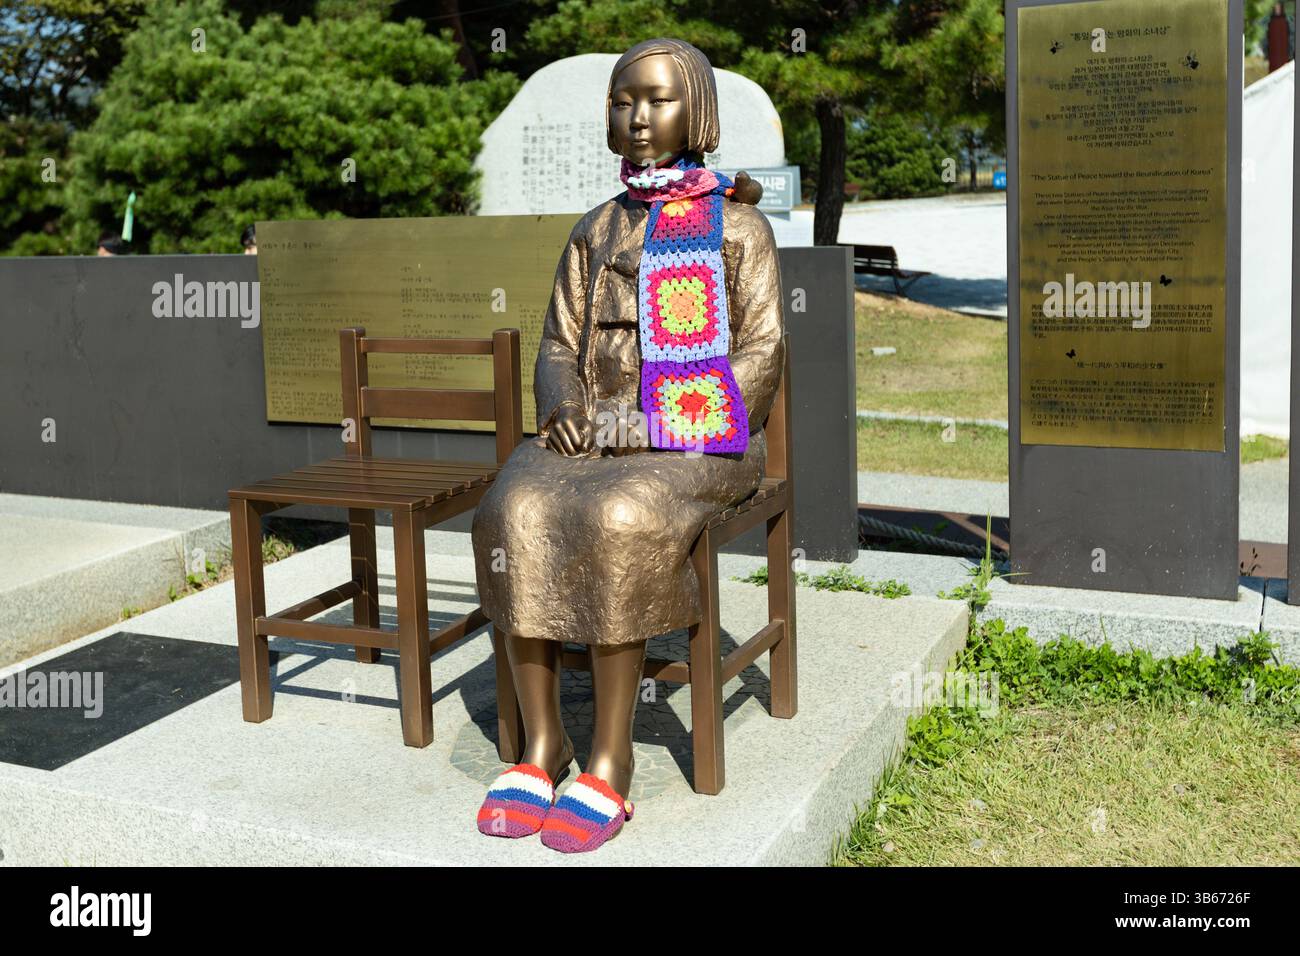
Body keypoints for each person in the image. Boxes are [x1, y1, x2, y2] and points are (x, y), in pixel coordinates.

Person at [471, 38, 784, 852]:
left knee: (615, 515)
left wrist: (663, 419)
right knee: (516, 506)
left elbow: (762, 353)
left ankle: (609, 757)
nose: (638, 117)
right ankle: (545, 743)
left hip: (699, 436)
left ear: (698, 112)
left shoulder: (740, 228)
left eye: (657, 99)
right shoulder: (594, 229)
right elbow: (555, 344)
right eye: (622, 101)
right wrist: (567, 405)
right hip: (595, 427)